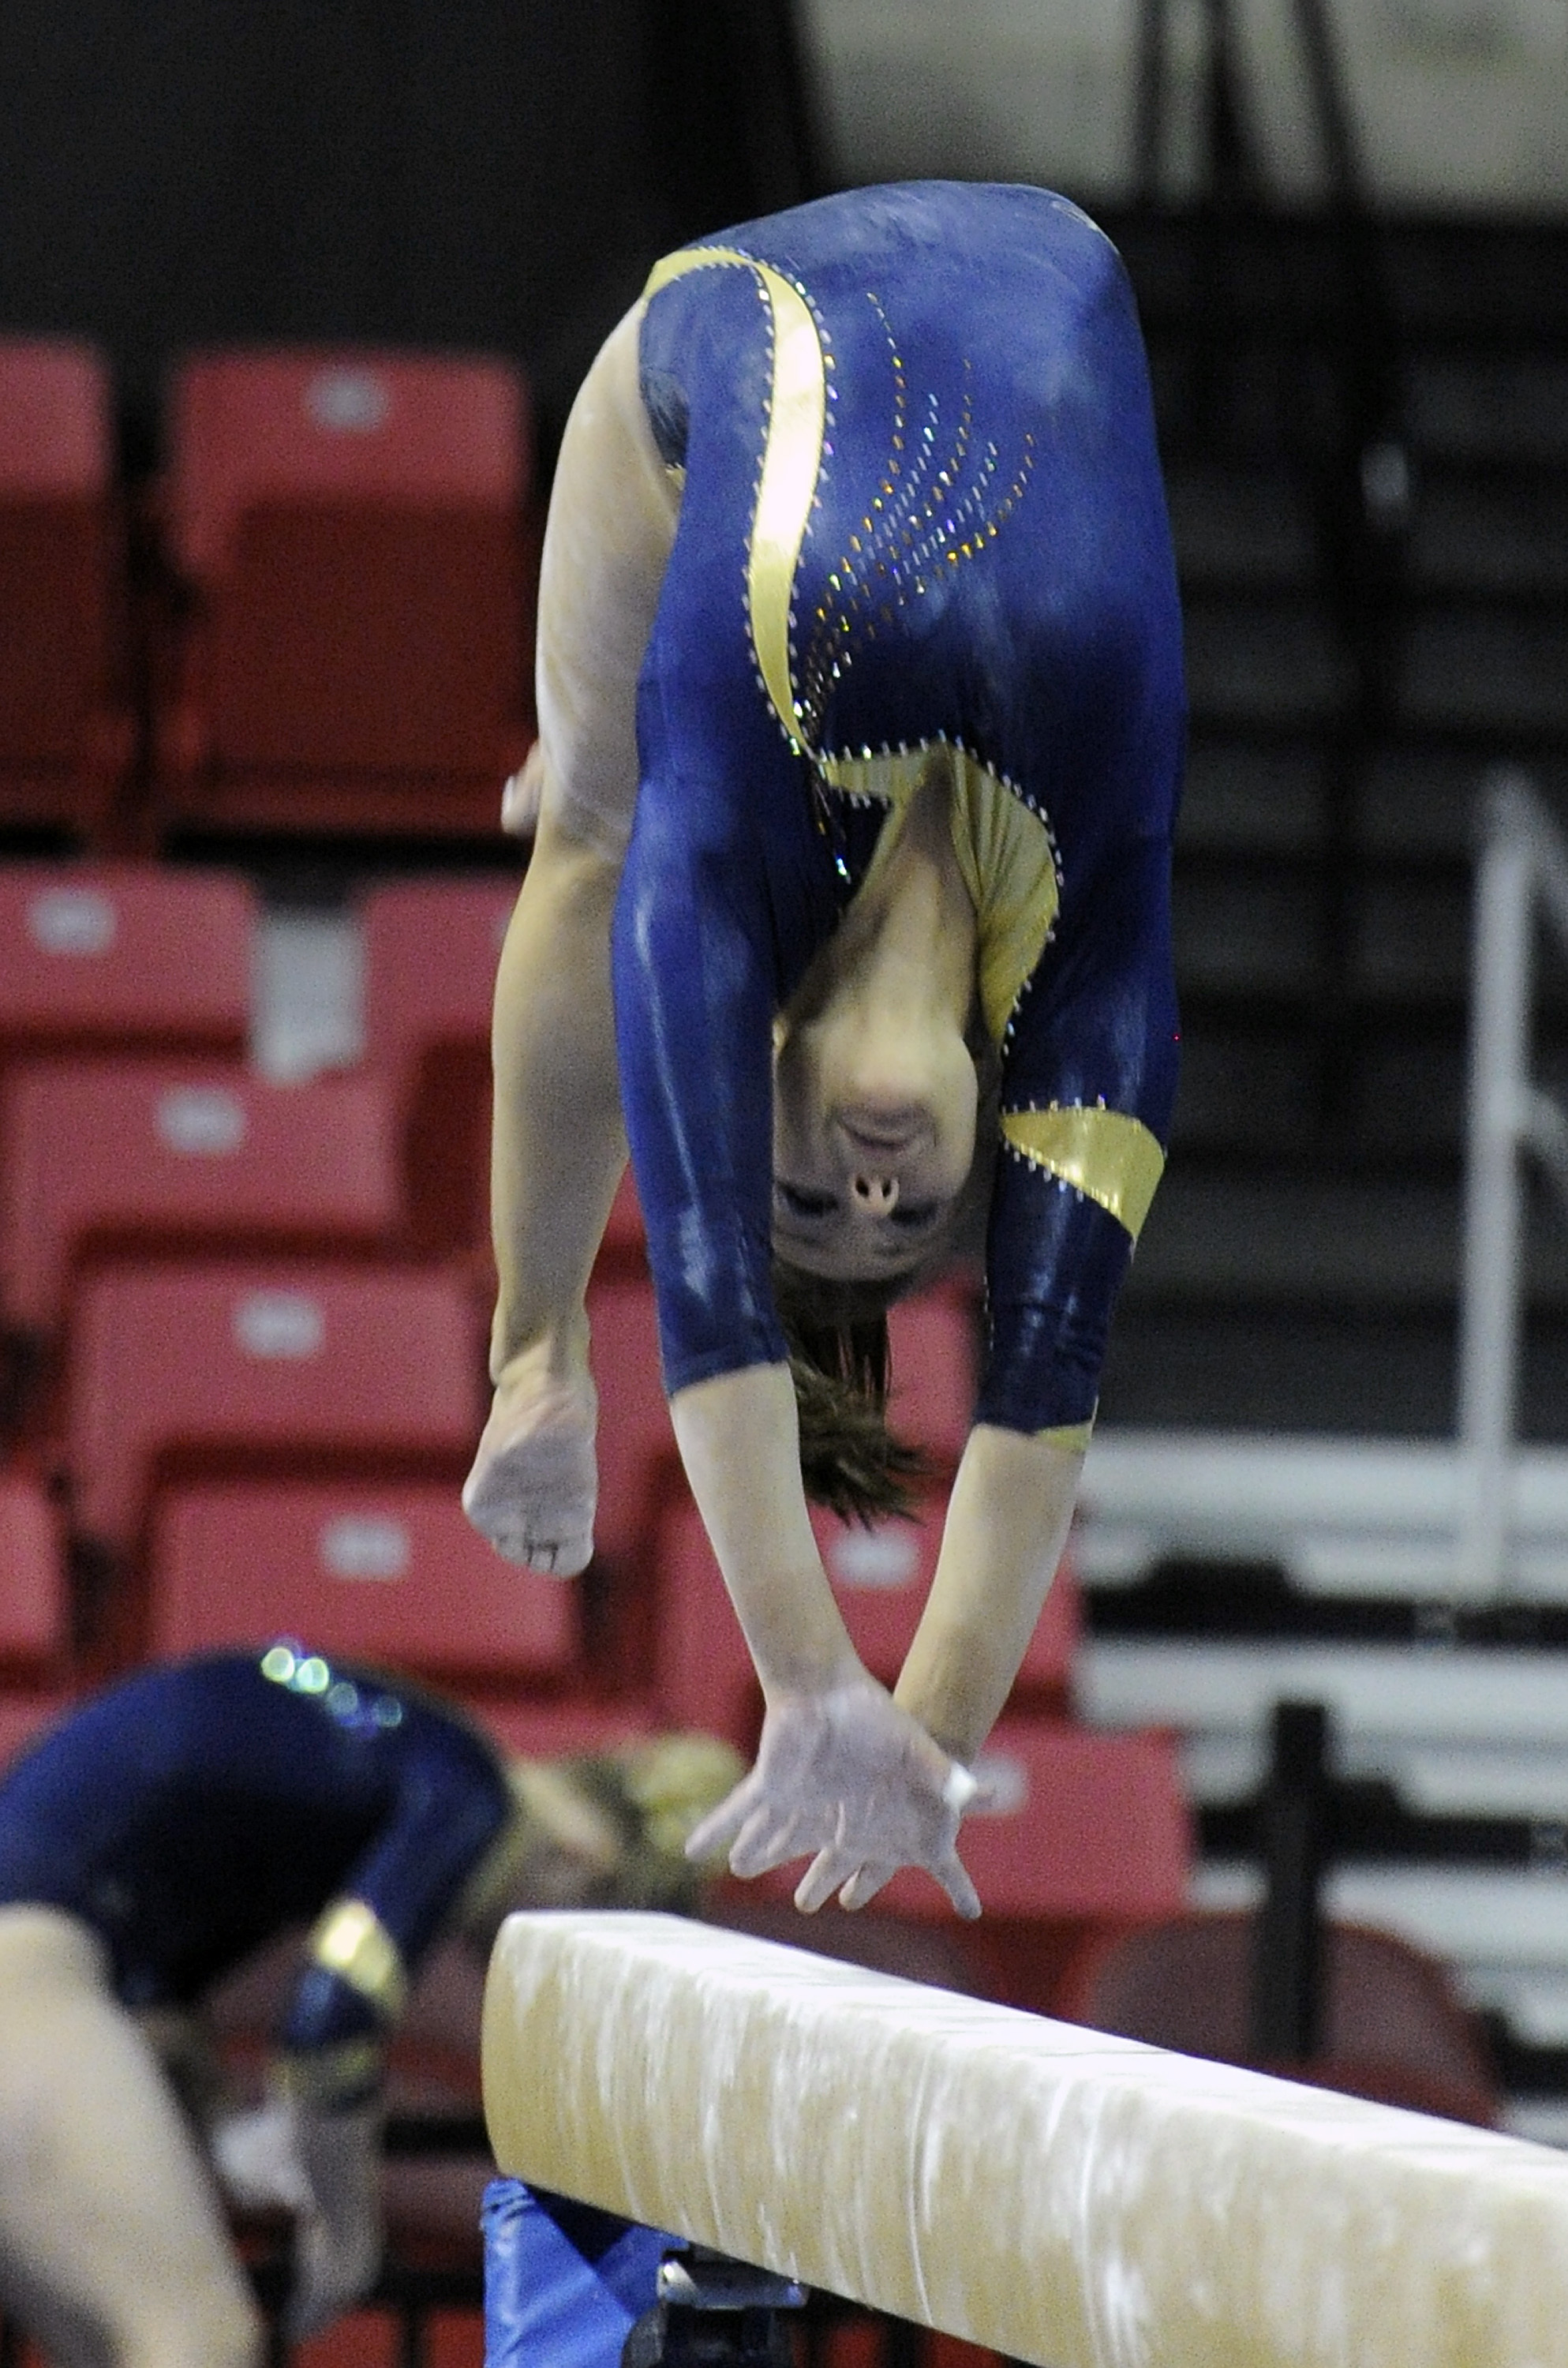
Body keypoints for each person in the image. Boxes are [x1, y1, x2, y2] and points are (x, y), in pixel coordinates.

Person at [462, 180, 1184, 1924]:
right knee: (635, 817)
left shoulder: (726, 886)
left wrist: (804, 1683)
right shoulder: (1095, 986)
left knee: (597, 833)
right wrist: (919, 1737)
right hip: (1046, 247)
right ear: (979, 1158)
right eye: (900, 1217)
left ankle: (529, 1350)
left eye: (814, 1194)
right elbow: (1036, 1411)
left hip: (690, 368)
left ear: (758, 1064)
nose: (866, 1193)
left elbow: (710, 1305)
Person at [0, 1644, 740, 2368]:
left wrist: (226, 2130)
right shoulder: (472, 1793)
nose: (513, 1969)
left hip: (41, 1959)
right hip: (24, 1965)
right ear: (585, 1857)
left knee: (108, 2347)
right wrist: (346, 2228)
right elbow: (333, 2025)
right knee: (203, 2343)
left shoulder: (351, 1791)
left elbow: (158, 1993)